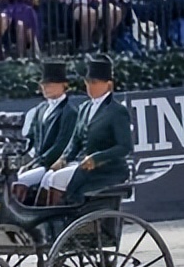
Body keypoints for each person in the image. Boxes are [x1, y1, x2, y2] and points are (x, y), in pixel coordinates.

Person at [39, 54, 133, 206]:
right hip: (82, 163)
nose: (89, 86)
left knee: (56, 179)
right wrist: (64, 159)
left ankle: (57, 221)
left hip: (107, 168)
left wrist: (97, 158)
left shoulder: (117, 111)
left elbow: (124, 147)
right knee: (48, 176)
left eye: (94, 82)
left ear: (108, 84)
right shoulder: (84, 108)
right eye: (87, 82)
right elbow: (76, 141)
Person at [13, 61, 81, 204]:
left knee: (21, 181)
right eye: (43, 85)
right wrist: (29, 161)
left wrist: (40, 162)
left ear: (64, 86)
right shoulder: (40, 109)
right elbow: (34, 139)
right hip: (38, 161)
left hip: (52, 163)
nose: (45, 88)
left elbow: (62, 143)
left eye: (50, 85)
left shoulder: (70, 112)